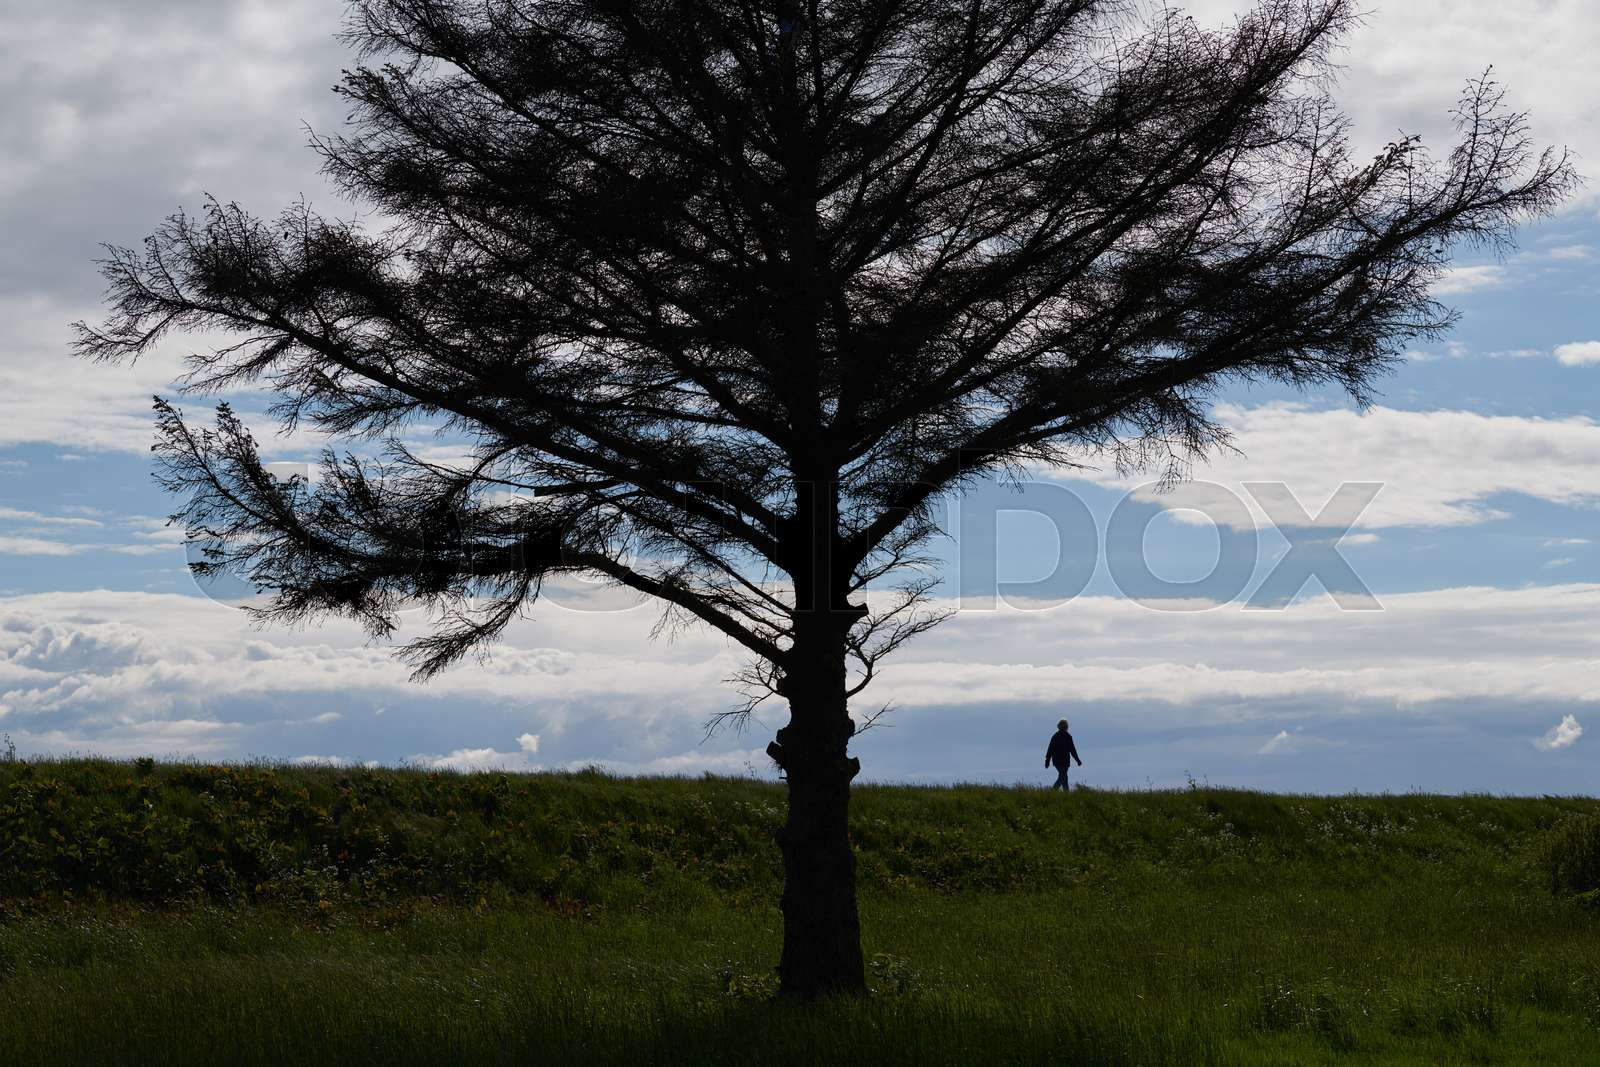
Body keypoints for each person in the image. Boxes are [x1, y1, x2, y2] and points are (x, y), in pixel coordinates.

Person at [1045, 719, 1082, 790]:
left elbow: (1050, 749)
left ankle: (1066, 794)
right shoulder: (1067, 736)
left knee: (1064, 778)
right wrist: (1078, 760)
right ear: (1066, 726)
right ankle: (1052, 792)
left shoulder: (1055, 736)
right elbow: (1072, 750)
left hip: (1057, 761)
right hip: (1064, 761)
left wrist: (1047, 760)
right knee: (1062, 777)